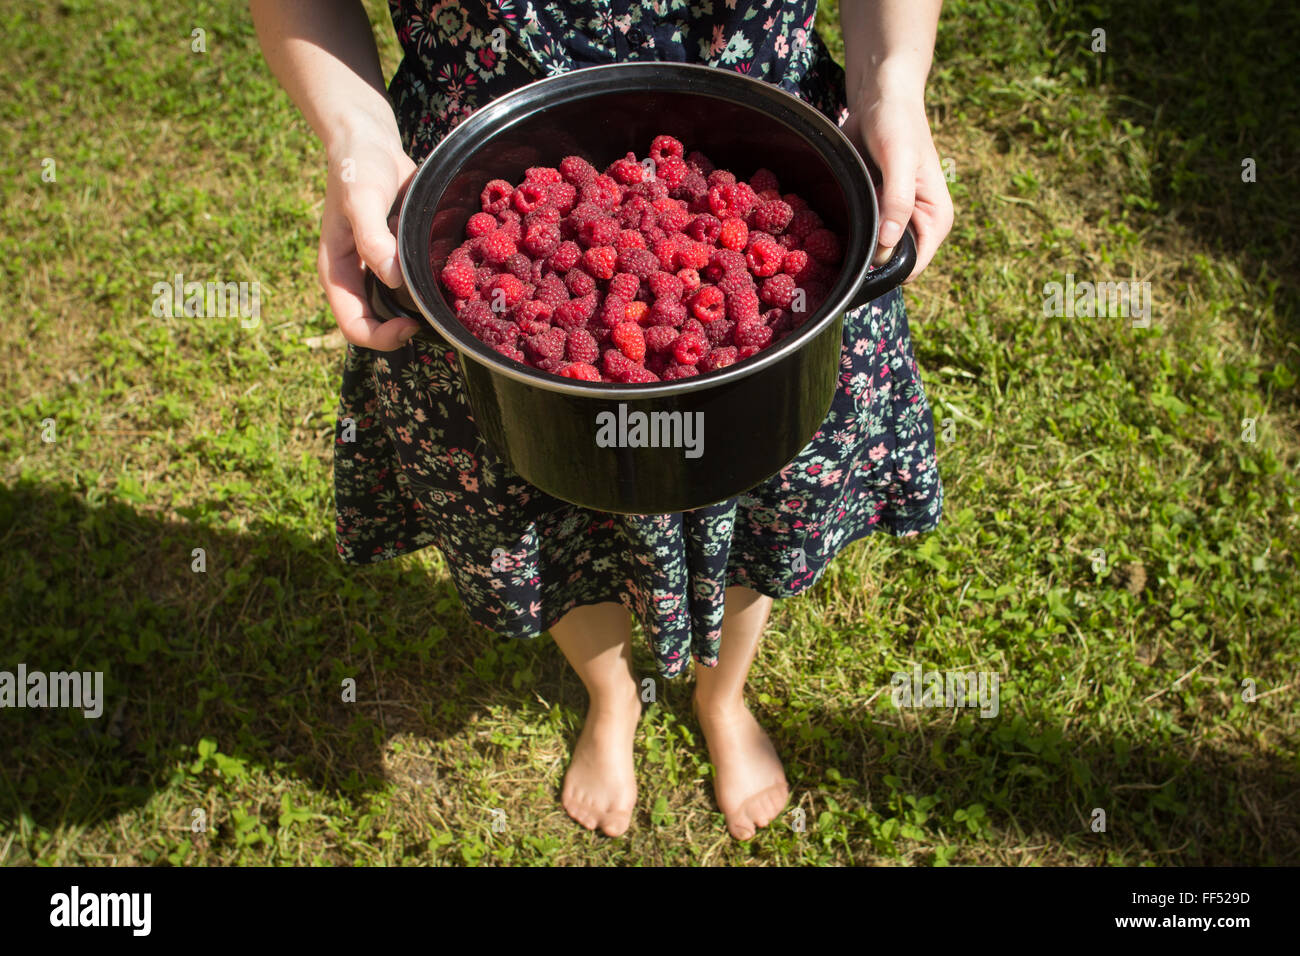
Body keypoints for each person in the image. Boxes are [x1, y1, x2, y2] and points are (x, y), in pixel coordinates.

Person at [250, 0, 953, 841]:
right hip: (463, 152)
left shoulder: (741, 230)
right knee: (537, 505)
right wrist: (356, 129)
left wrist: (892, 82)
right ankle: (612, 697)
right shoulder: (543, 242)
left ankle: (720, 695)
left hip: (771, 118)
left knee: (759, 494)